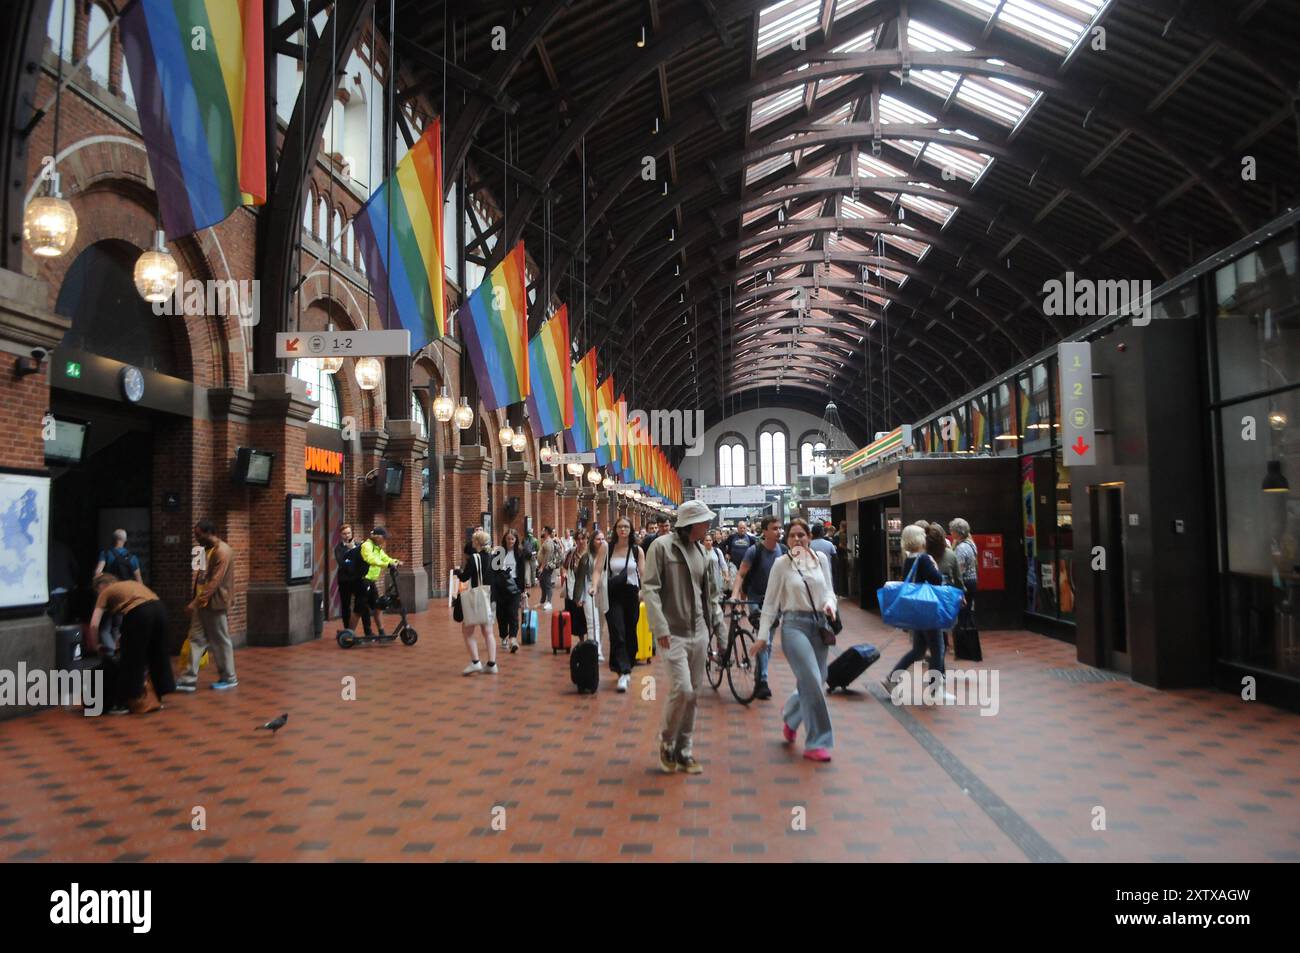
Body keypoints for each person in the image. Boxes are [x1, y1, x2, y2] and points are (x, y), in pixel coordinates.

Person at [642, 499, 728, 775]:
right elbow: (651, 588)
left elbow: (711, 596)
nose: (709, 525)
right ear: (691, 524)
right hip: (673, 633)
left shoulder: (703, 552)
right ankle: (667, 741)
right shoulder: (661, 547)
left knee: (693, 696)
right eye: (705, 521)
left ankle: (685, 749)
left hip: (699, 632)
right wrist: (660, 627)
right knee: (684, 689)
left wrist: (721, 633)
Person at [752, 518, 837, 762]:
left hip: (819, 625)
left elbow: (830, 590)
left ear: (809, 537)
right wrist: (762, 637)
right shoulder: (782, 564)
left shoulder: (820, 560)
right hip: (793, 627)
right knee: (810, 678)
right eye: (792, 536)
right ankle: (816, 742)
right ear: (786, 540)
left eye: (801, 535)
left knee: (817, 681)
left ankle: (791, 716)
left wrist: (830, 605)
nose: (797, 539)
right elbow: (770, 604)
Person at [882, 525, 957, 704]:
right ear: (918, 539)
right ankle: (935, 690)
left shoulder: (909, 559)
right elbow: (936, 579)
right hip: (928, 609)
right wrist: (934, 566)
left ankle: (892, 678)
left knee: (918, 650)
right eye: (922, 535)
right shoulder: (924, 559)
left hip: (916, 610)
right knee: (938, 649)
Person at [89, 574, 174, 714]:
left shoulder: (105, 592)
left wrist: (95, 646)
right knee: (158, 654)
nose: (97, 594)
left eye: (96, 590)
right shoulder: (130, 584)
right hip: (160, 609)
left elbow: (93, 624)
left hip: (140, 613)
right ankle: (157, 696)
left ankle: (126, 701)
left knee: (132, 659)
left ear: (101, 586)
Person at [730, 516, 787, 700]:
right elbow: (741, 574)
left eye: (779, 528)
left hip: (775, 601)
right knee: (766, 640)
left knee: (767, 641)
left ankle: (759, 674)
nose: (778, 531)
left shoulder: (784, 551)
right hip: (755, 599)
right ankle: (762, 680)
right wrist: (735, 595)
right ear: (764, 531)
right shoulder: (754, 551)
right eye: (774, 528)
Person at [177, 520, 237, 692]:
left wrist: (195, 602)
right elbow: (201, 578)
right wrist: (196, 599)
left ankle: (229, 677)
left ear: (209, 532)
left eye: (198, 534)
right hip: (201, 603)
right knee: (195, 639)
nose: (196, 538)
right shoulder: (204, 550)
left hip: (215, 603)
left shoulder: (222, 551)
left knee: (220, 640)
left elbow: (215, 582)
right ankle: (188, 679)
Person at [603, 517, 644, 693]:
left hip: (631, 594)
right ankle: (623, 671)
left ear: (631, 529)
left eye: (626, 527)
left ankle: (626, 663)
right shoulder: (608, 548)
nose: (623, 530)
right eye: (620, 526)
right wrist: (593, 585)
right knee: (617, 631)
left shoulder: (637, 550)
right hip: (613, 594)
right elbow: (598, 569)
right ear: (615, 529)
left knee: (629, 632)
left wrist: (644, 591)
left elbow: (644, 573)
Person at [454, 530, 499, 675]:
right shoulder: (494, 556)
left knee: (467, 631)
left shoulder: (475, 558)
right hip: (490, 597)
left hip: (477, 598)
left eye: (474, 541)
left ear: (477, 543)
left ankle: (475, 662)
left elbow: (465, 577)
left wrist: (457, 572)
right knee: (488, 632)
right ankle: (492, 664)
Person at [91, 529, 142, 653]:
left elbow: (98, 572)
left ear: (113, 540)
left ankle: (111, 654)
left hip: (111, 595)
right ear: (125, 541)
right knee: (117, 627)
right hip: (126, 597)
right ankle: (115, 653)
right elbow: (139, 581)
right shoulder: (132, 558)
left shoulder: (106, 553)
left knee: (105, 628)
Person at [361, 527, 402, 638]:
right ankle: (354, 632)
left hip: (372, 581)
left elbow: (385, 558)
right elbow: (370, 559)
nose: (384, 540)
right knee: (361, 608)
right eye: (383, 537)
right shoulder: (367, 546)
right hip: (364, 580)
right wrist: (387, 565)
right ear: (377, 537)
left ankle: (381, 631)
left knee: (378, 606)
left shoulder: (378, 547)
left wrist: (395, 562)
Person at [334, 524, 370, 638]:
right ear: (340, 535)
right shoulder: (339, 548)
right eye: (344, 534)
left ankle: (368, 631)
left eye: (348, 533)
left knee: (363, 605)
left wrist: (352, 553)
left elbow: (362, 562)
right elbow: (344, 564)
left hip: (357, 581)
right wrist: (351, 554)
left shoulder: (358, 546)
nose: (347, 536)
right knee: (346, 605)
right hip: (344, 581)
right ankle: (347, 631)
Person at [495, 529, 528, 653]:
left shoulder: (519, 553)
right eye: (508, 539)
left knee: (513, 613)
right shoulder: (499, 552)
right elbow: (494, 571)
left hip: (514, 587)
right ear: (505, 539)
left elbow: (522, 572)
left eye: (512, 539)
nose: (510, 541)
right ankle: (504, 636)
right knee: (501, 614)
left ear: (516, 540)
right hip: (501, 587)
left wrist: (523, 590)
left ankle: (513, 639)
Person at [581, 529, 608, 662]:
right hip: (589, 591)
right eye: (598, 539)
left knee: (602, 623)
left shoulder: (608, 555)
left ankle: (598, 646)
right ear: (592, 541)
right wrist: (579, 597)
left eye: (603, 539)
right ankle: (595, 650)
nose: (601, 542)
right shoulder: (586, 557)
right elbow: (580, 579)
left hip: (604, 591)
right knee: (593, 622)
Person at [560, 528, 590, 640]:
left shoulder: (590, 553)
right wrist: (564, 573)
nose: (580, 541)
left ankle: (590, 639)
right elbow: (564, 567)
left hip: (586, 587)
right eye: (578, 538)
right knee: (576, 616)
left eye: (583, 538)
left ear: (587, 539)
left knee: (587, 615)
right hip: (572, 588)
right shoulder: (571, 553)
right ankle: (581, 640)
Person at [949, 518, 978, 629]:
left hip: (965, 582)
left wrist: (955, 584)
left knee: (962, 613)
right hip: (972, 580)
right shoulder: (970, 544)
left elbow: (959, 570)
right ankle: (967, 637)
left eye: (952, 530)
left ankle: (963, 640)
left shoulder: (961, 548)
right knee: (967, 612)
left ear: (958, 532)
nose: (951, 532)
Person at [537, 527, 561, 611]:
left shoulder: (548, 542)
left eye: (543, 530)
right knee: (543, 583)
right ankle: (542, 601)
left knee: (547, 584)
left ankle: (549, 602)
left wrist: (541, 567)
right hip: (544, 566)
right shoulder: (546, 541)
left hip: (547, 567)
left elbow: (547, 557)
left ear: (546, 532)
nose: (541, 531)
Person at [810, 522, 837, 589]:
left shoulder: (808, 545)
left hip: (812, 574)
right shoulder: (829, 544)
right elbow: (835, 559)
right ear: (821, 532)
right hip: (827, 573)